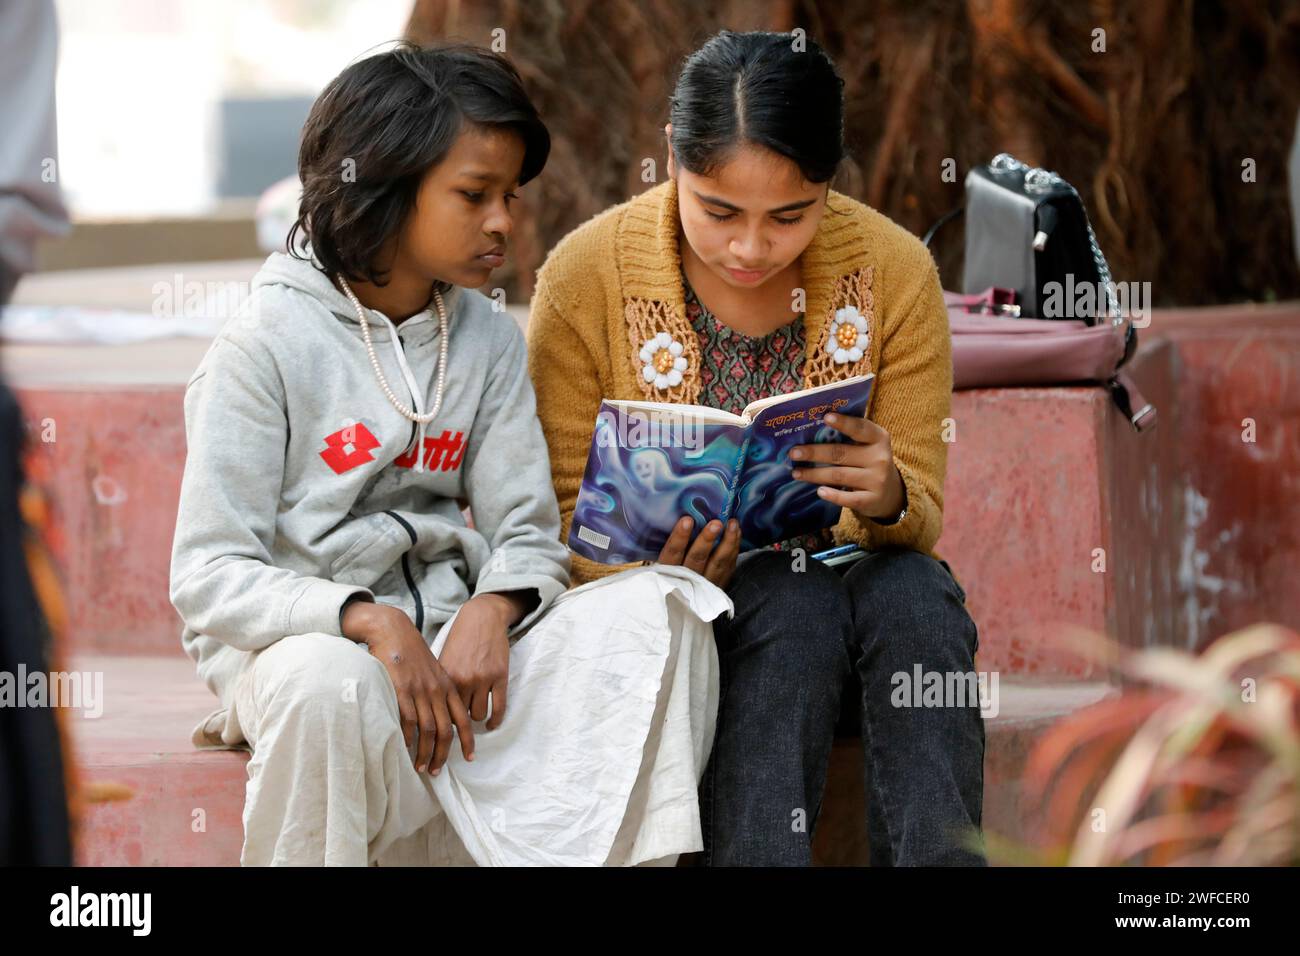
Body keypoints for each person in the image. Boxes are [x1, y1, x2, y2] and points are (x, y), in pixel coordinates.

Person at [169, 42, 730, 867]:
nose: (504, 220)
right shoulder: (263, 343)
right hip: (310, 659)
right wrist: (368, 622)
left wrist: (495, 608)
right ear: (386, 188)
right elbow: (210, 573)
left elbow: (530, 535)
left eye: (509, 194)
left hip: (453, 661)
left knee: (670, 608)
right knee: (330, 684)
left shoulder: (486, 339)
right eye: (474, 195)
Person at [528, 30, 985, 866]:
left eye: (790, 215)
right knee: (790, 602)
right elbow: (561, 525)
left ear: (831, 180)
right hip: (705, 635)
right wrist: (661, 573)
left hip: (868, 611)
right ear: (671, 157)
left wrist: (887, 493)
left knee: (919, 599)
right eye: (719, 210)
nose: (749, 247)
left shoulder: (895, 269)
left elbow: (919, 514)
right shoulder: (583, 278)